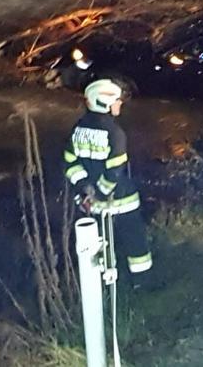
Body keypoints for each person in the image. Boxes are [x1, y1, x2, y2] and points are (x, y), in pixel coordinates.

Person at [64, 79, 153, 277]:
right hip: (120, 199)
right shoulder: (115, 133)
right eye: (117, 101)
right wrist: (103, 192)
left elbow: (70, 162)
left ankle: (102, 281)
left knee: (99, 243)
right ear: (104, 102)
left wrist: (85, 188)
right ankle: (143, 282)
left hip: (90, 202)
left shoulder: (77, 129)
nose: (119, 104)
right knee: (134, 238)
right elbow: (115, 169)